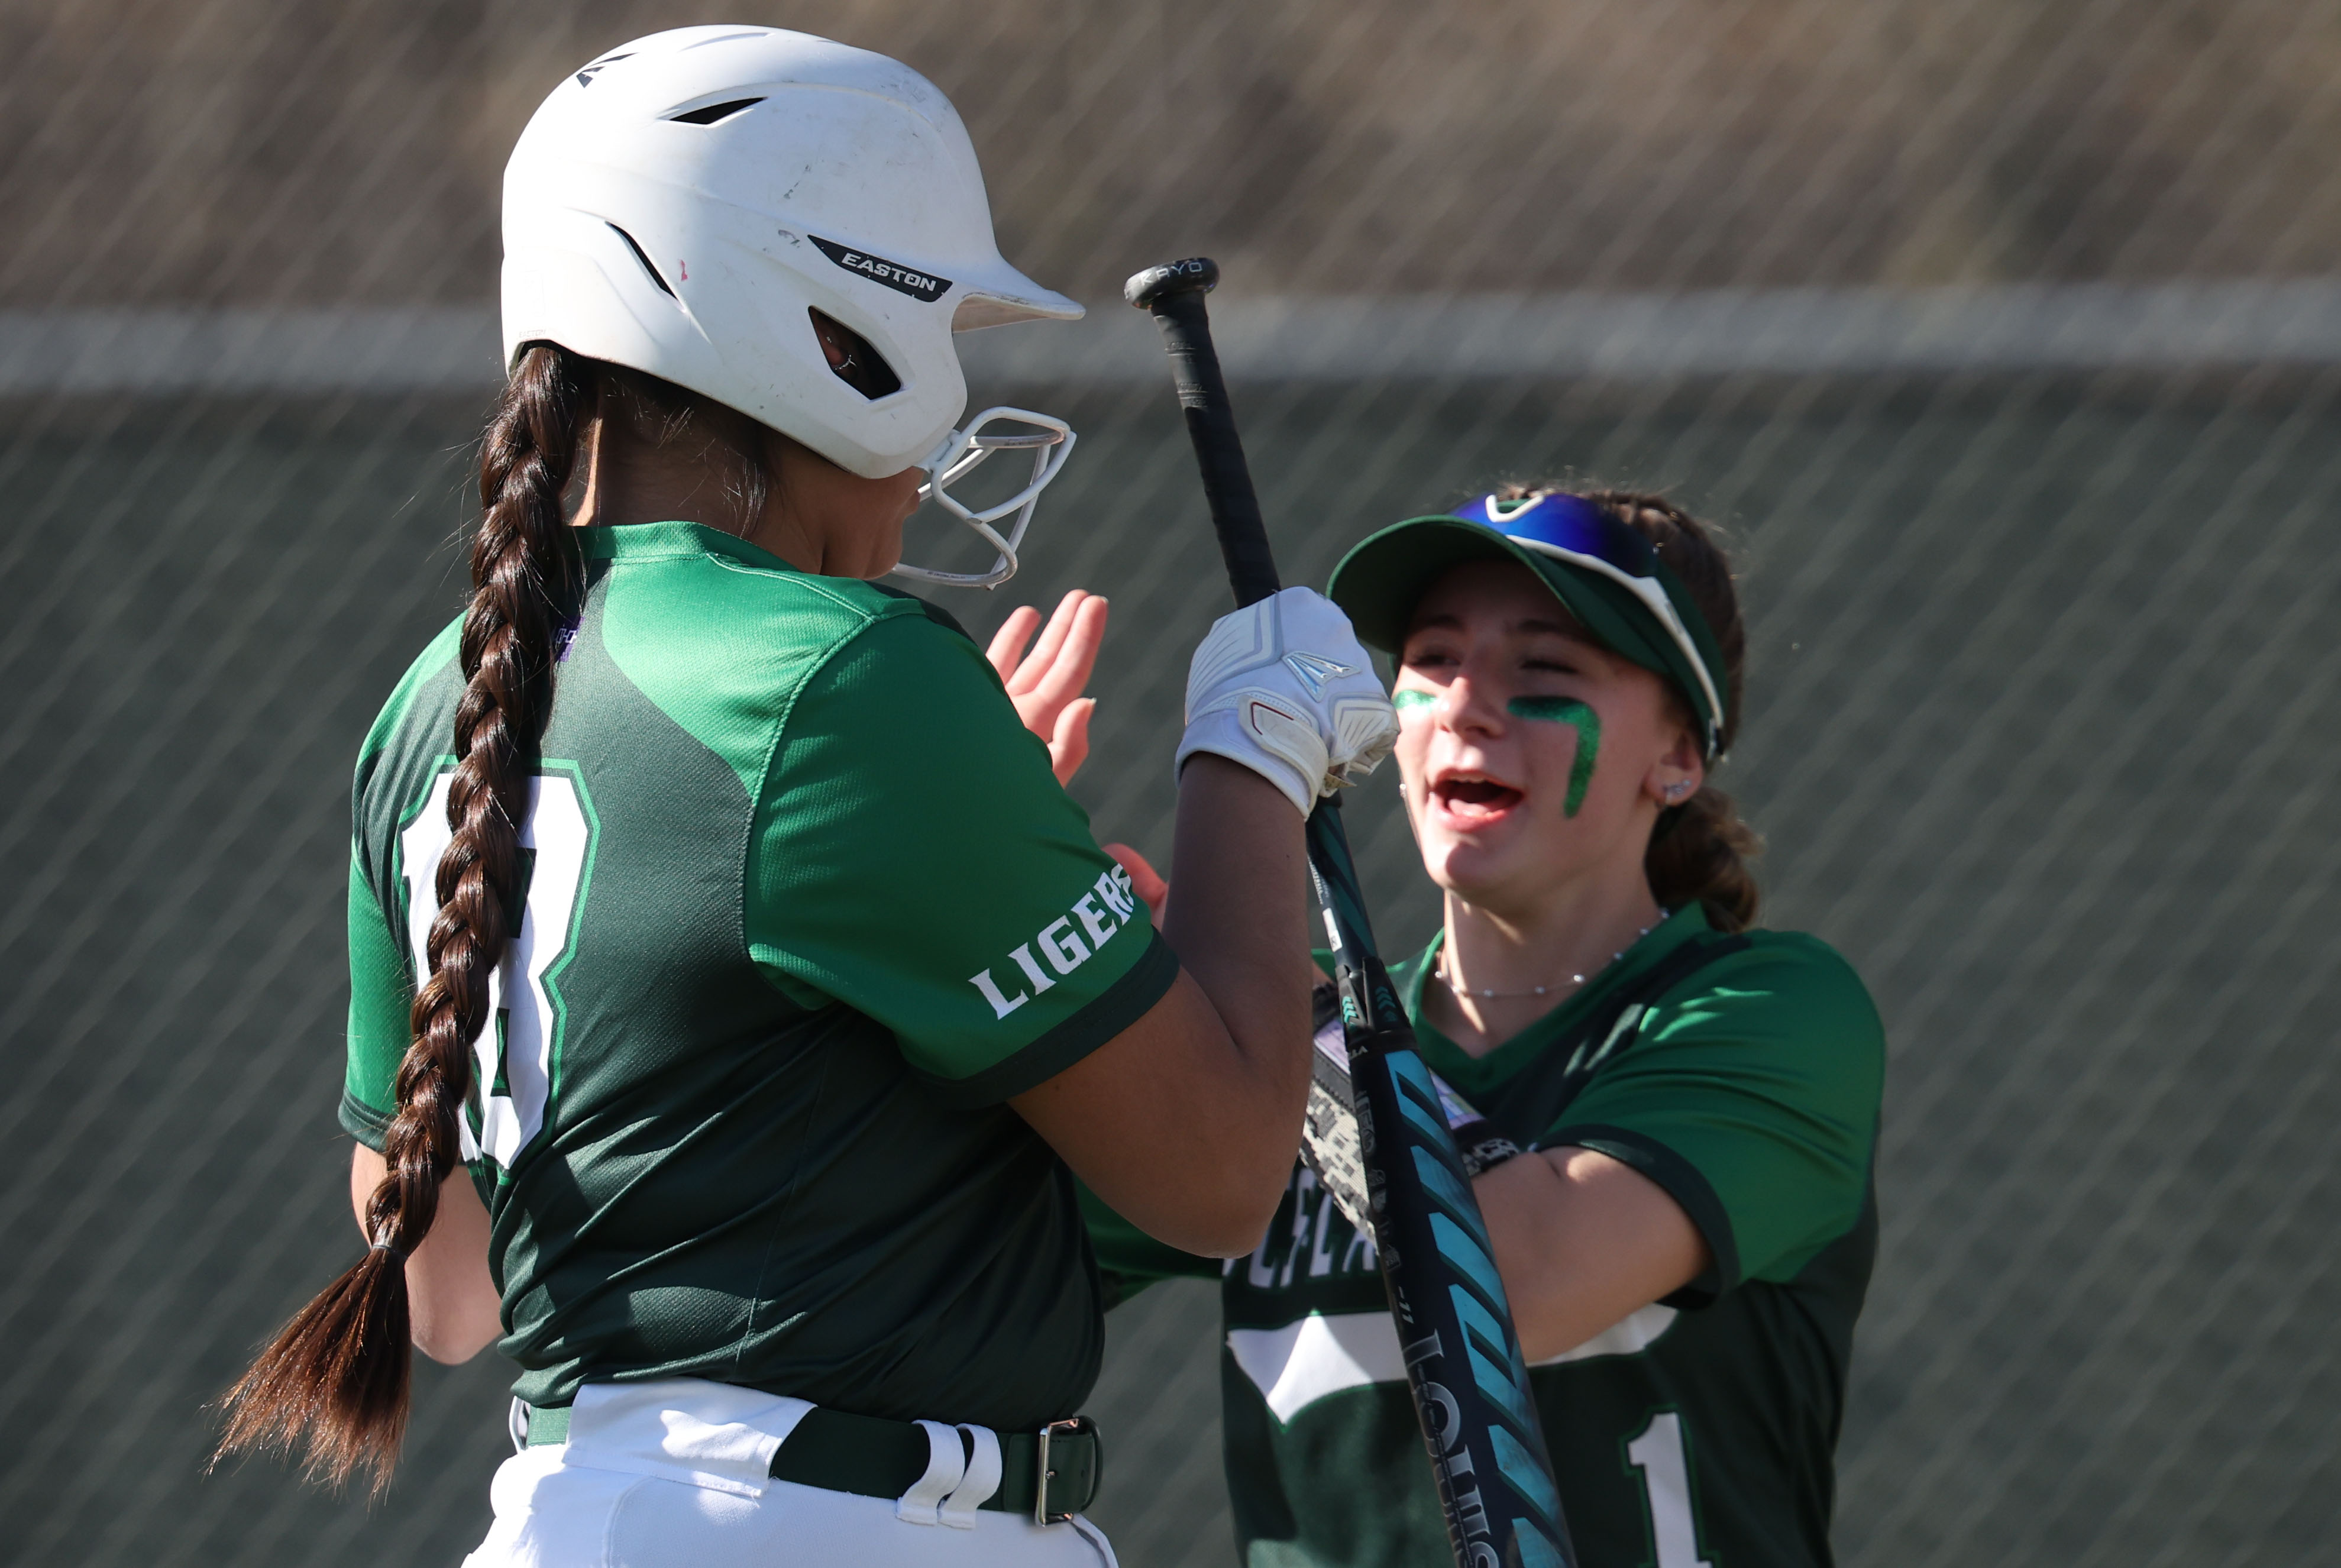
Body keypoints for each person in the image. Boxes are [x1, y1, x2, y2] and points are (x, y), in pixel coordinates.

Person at [213, 27, 1397, 1568]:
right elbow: (1221, 1174)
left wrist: (950, 879)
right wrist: (1248, 757)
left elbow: (450, 1295)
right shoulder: (834, 676)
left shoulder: (432, 693)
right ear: (834, 328)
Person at [1091, 488, 1886, 1567]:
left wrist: (1262, 995)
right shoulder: (1268, 1027)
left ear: (1680, 757)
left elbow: (1513, 1282)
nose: (1465, 706)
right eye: (1431, 662)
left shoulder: (1770, 1012)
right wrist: (979, 922)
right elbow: (962, 1248)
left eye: (1545, 673)